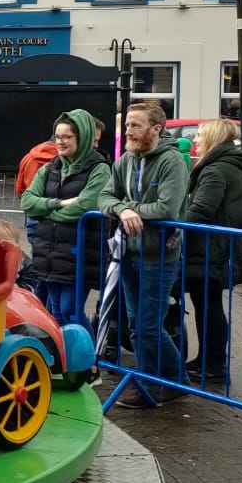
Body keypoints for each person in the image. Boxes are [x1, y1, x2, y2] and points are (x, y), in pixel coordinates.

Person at [98, 100, 190, 406]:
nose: (128, 131)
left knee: (147, 325)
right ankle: (162, 382)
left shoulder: (171, 161)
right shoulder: (125, 160)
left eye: (135, 125)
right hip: (128, 253)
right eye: (127, 125)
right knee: (137, 325)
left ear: (156, 129)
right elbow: (104, 197)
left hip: (159, 255)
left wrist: (129, 208)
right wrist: (123, 209)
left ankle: (163, 382)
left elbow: (168, 207)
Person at [180, 117, 242, 383]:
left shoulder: (214, 170)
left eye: (200, 135)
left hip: (213, 248)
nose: (195, 140)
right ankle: (209, 360)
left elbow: (201, 210)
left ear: (212, 139)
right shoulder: (230, 166)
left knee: (208, 304)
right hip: (221, 247)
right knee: (208, 303)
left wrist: (175, 227)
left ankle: (213, 364)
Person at [20, 109, 109, 327]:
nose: (60, 142)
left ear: (84, 137)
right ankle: (68, 358)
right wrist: (57, 204)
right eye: (58, 136)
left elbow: (84, 206)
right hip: (50, 251)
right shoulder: (51, 167)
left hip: (79, 251)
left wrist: (45, 212)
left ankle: (87, 357)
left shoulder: (99, 169)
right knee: (57, 310)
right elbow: (27, 201)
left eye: (67, 137)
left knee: (70, 311)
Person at [0, 220, 36, 290]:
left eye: (6, 242)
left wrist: (20, 287)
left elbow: (31, 279)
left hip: (14, 294)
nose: (1, 245)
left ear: (16, 243)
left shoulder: (22, 260)